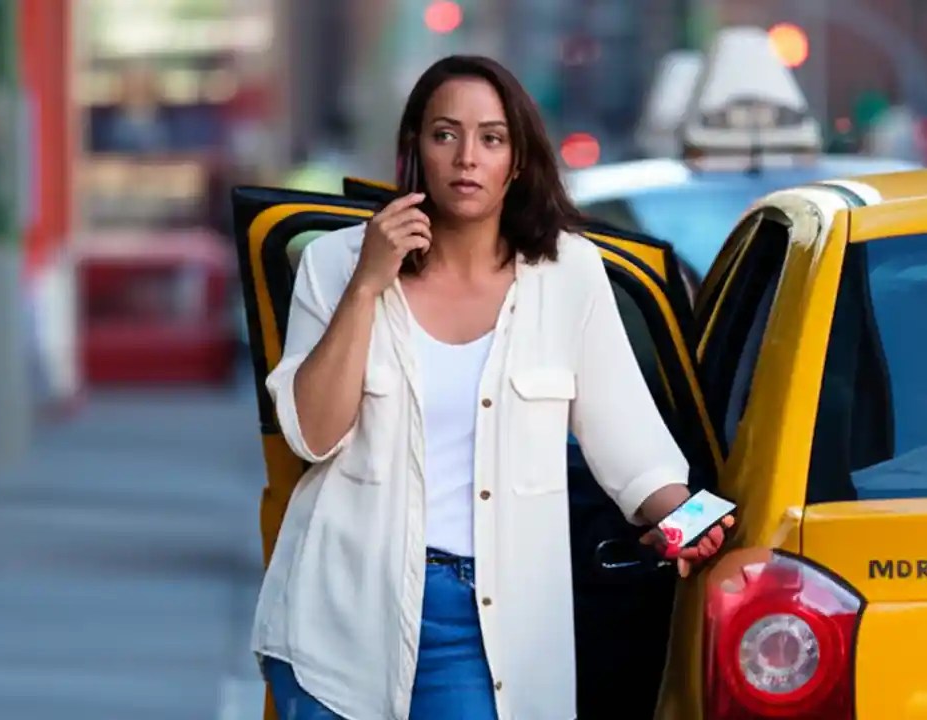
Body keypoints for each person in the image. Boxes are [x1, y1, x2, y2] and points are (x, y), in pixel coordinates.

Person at [251, 55, 734, 720]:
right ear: (415, 150)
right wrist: (368, 284)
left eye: (491, 138)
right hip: (343, 615)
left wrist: (691, 525)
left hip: (486, 625)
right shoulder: (338, 264)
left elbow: (631, 447)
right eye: (445, 135)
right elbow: (312, 435)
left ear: (518, 159)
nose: (466, 157)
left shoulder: (568, 274)